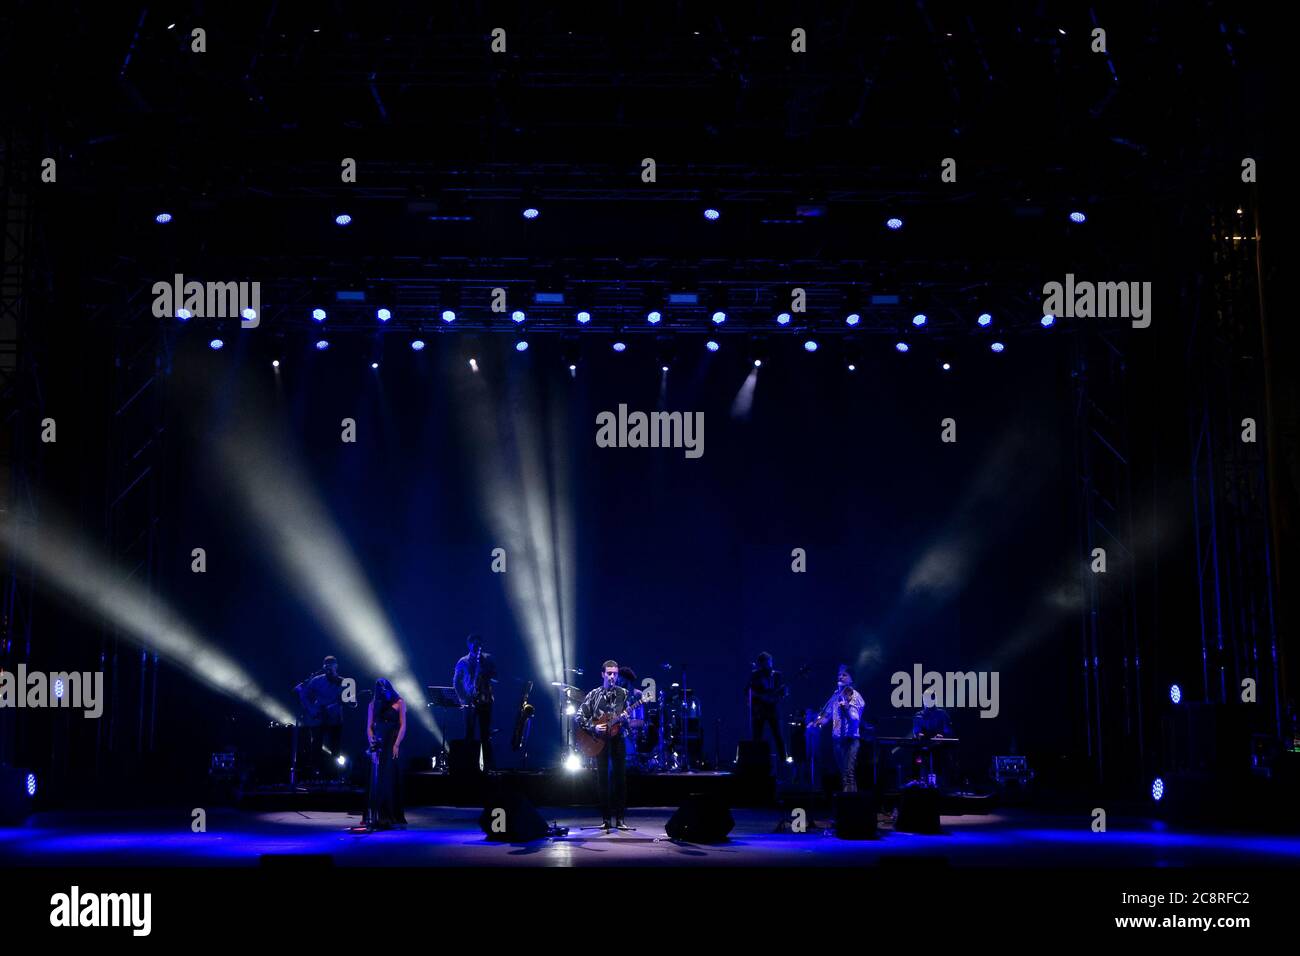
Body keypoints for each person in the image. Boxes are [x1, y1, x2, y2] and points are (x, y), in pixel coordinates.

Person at [576, 660, 631, 830]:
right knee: (603, 780)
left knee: (620, 779)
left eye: (615, 673)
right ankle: (606, 819)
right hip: (599, 742)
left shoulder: (624, 693)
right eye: (609, 673)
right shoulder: (593, 695)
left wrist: (626, 720)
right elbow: (579, 716)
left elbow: (627, 718)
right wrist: (594, 727)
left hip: (618, 739)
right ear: (603, 674)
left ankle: (620, 819)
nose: (613, 676)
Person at [808, 666, 866, 793]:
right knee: (844, 775)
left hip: (850, 740)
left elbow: (855, 720)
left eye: (844, 675)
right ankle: (850, 806)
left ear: (851, 679)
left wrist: (845, 708)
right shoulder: (836, 696)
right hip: (837, 740)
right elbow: (827, 717)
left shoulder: (855, 696)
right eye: (839, 674)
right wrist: (815, 723)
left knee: (849, 774)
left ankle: (849, 807)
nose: (840, 677)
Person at [361, 678, 406, 830]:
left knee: (389, 777)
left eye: (385, 688)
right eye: (380, 689)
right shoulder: (373, 705)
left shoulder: (399, 702)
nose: (383, 692)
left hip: (391, 741)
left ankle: (391, 814)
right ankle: (375, 814)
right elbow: (369, 727)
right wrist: (371, 742)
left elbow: (403, 725)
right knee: (377, 778)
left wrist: (397, 744)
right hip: (378, 742)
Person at [295, 655, 346, 778]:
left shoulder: (343, 681)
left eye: (331, 664)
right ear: (324, 666)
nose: (329, 667)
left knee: (335, 747)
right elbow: (304, 695)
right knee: (316, 746)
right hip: (318, 718)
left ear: (336, 666)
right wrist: (312, 709)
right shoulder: (316, 680)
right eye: (327, 665)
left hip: (335, 718)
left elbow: (346, 700)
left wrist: (334, 706)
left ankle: (334, 776)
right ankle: (315, 775)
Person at [453, 634, 497, 770]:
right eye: (475, 644)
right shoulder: (463, 661)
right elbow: (455, 681)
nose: (478, 647)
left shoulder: (488, 659)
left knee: (485, 734)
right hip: (469, 701)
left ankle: (487, 767)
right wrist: (461, 698)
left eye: (480, 644)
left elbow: (497, 678)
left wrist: (486, 674)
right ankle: (469, 765)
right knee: (469, 734)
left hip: (485, 700)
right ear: (469, 645)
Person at [747, 652, 789, 764]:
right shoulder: (755, 675)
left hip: (774, 709)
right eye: (765, 662)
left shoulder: (777, 675)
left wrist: (783, 693)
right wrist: (761, 697)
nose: (769, 664)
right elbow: (750, 691)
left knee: (779, 736)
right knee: (757, 737)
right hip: (759, 710)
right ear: (761, 664)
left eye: (769, 662)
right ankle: (756, 761)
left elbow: (783, 692)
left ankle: (783, 761)